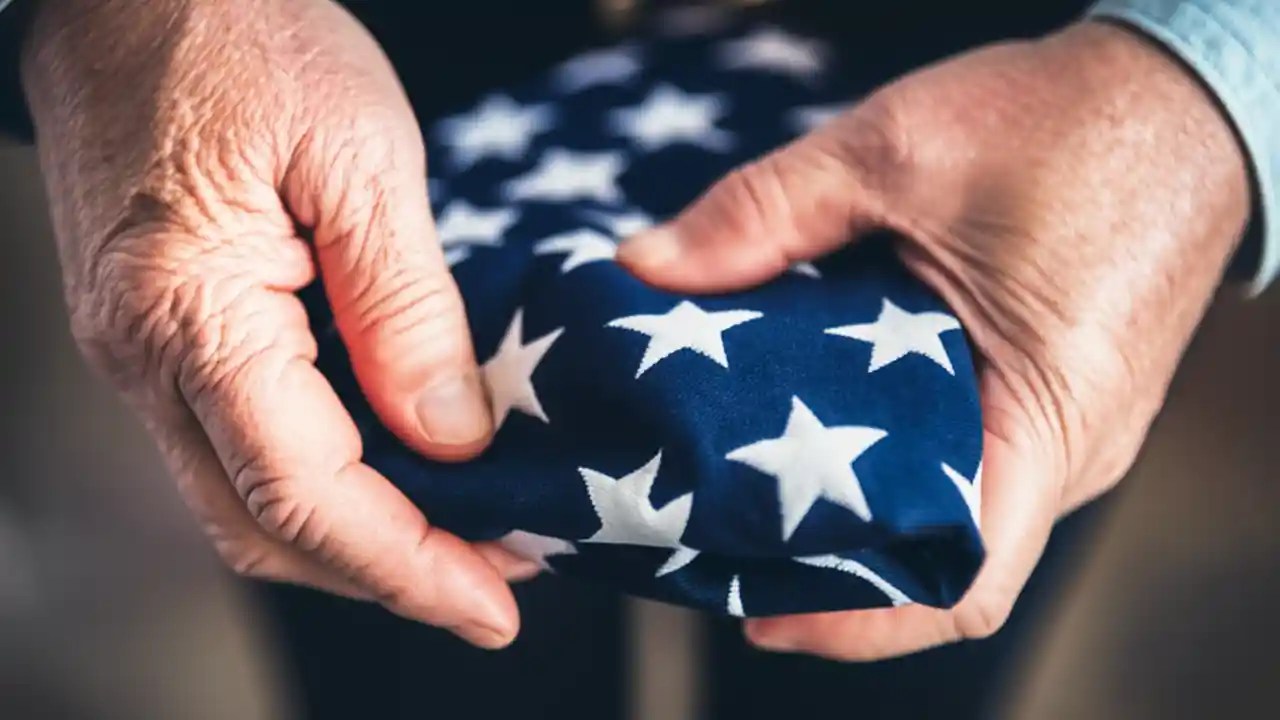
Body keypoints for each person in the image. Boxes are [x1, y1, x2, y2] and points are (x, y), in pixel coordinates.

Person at [1, 0, 1275, 714]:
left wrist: (1216, 78)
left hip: (1007, 93)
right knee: (402, 639)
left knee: (896, 661)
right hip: (347, 59)